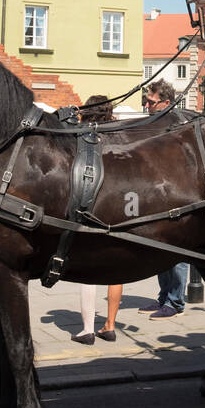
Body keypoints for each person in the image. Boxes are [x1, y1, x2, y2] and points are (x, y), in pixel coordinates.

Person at [74, 95, 123, 343]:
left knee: (87, 269)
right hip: (119, 205)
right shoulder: (118, 134)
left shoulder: (85, 137)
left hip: (94, 204)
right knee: (116, 270)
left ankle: (87, 329)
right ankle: (110, 325)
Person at [140, 82, 189, 319]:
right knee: (161, 248)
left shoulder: (176, 126)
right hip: (161, 192)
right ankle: (164, 298)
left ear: (166, 104)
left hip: (178, 192)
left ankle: (176, 301)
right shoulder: (155, 125)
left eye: (151, 102)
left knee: (177, 251)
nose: (147, 105)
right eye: (146, 101)